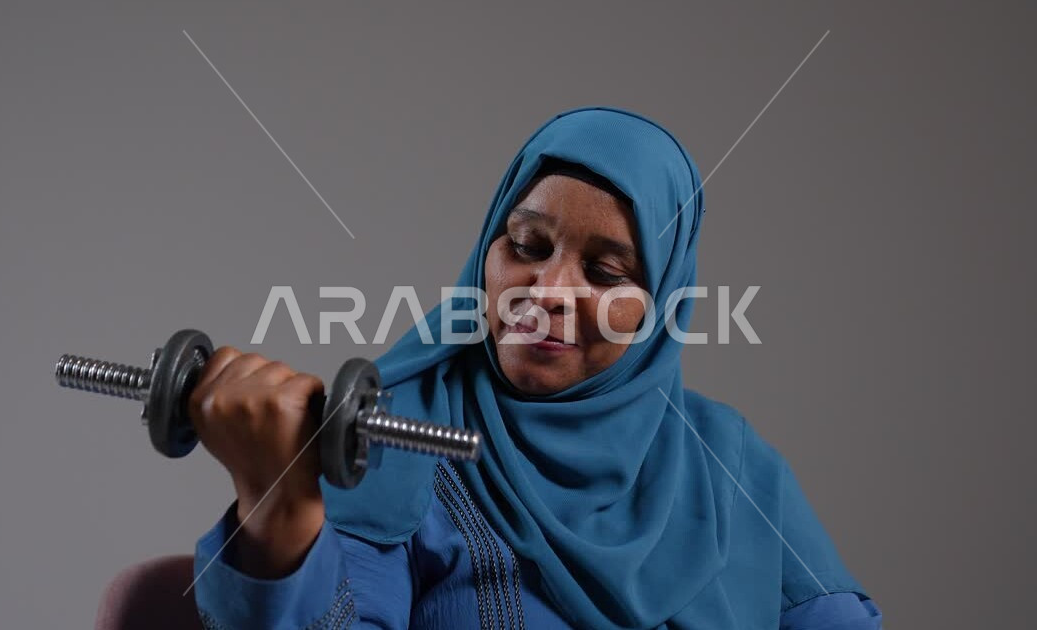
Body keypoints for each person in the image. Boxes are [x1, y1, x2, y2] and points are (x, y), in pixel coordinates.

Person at [187, 106, 883, 629]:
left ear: (661, 304)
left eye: (605, 271)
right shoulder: (392, 436)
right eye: (526, 244)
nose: (547, 290)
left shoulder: (730, 462)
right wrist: (276, 511)